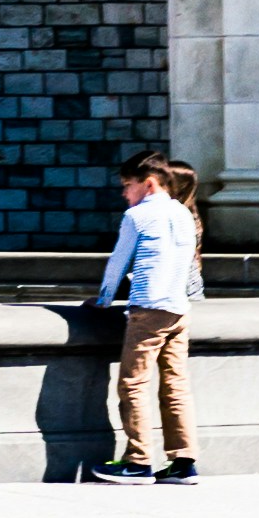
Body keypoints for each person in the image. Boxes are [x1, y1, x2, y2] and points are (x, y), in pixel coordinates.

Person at [88, 151, 204, 484]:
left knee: (133, 384)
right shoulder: (183, 213)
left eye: (128, 185)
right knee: (176, 387)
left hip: (149, 308)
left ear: (148, 183)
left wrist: (103, 300)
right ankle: (183, 463)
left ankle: (138, 461)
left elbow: (118, 261)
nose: (125, 194)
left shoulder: (138, 216)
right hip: (179, 309)